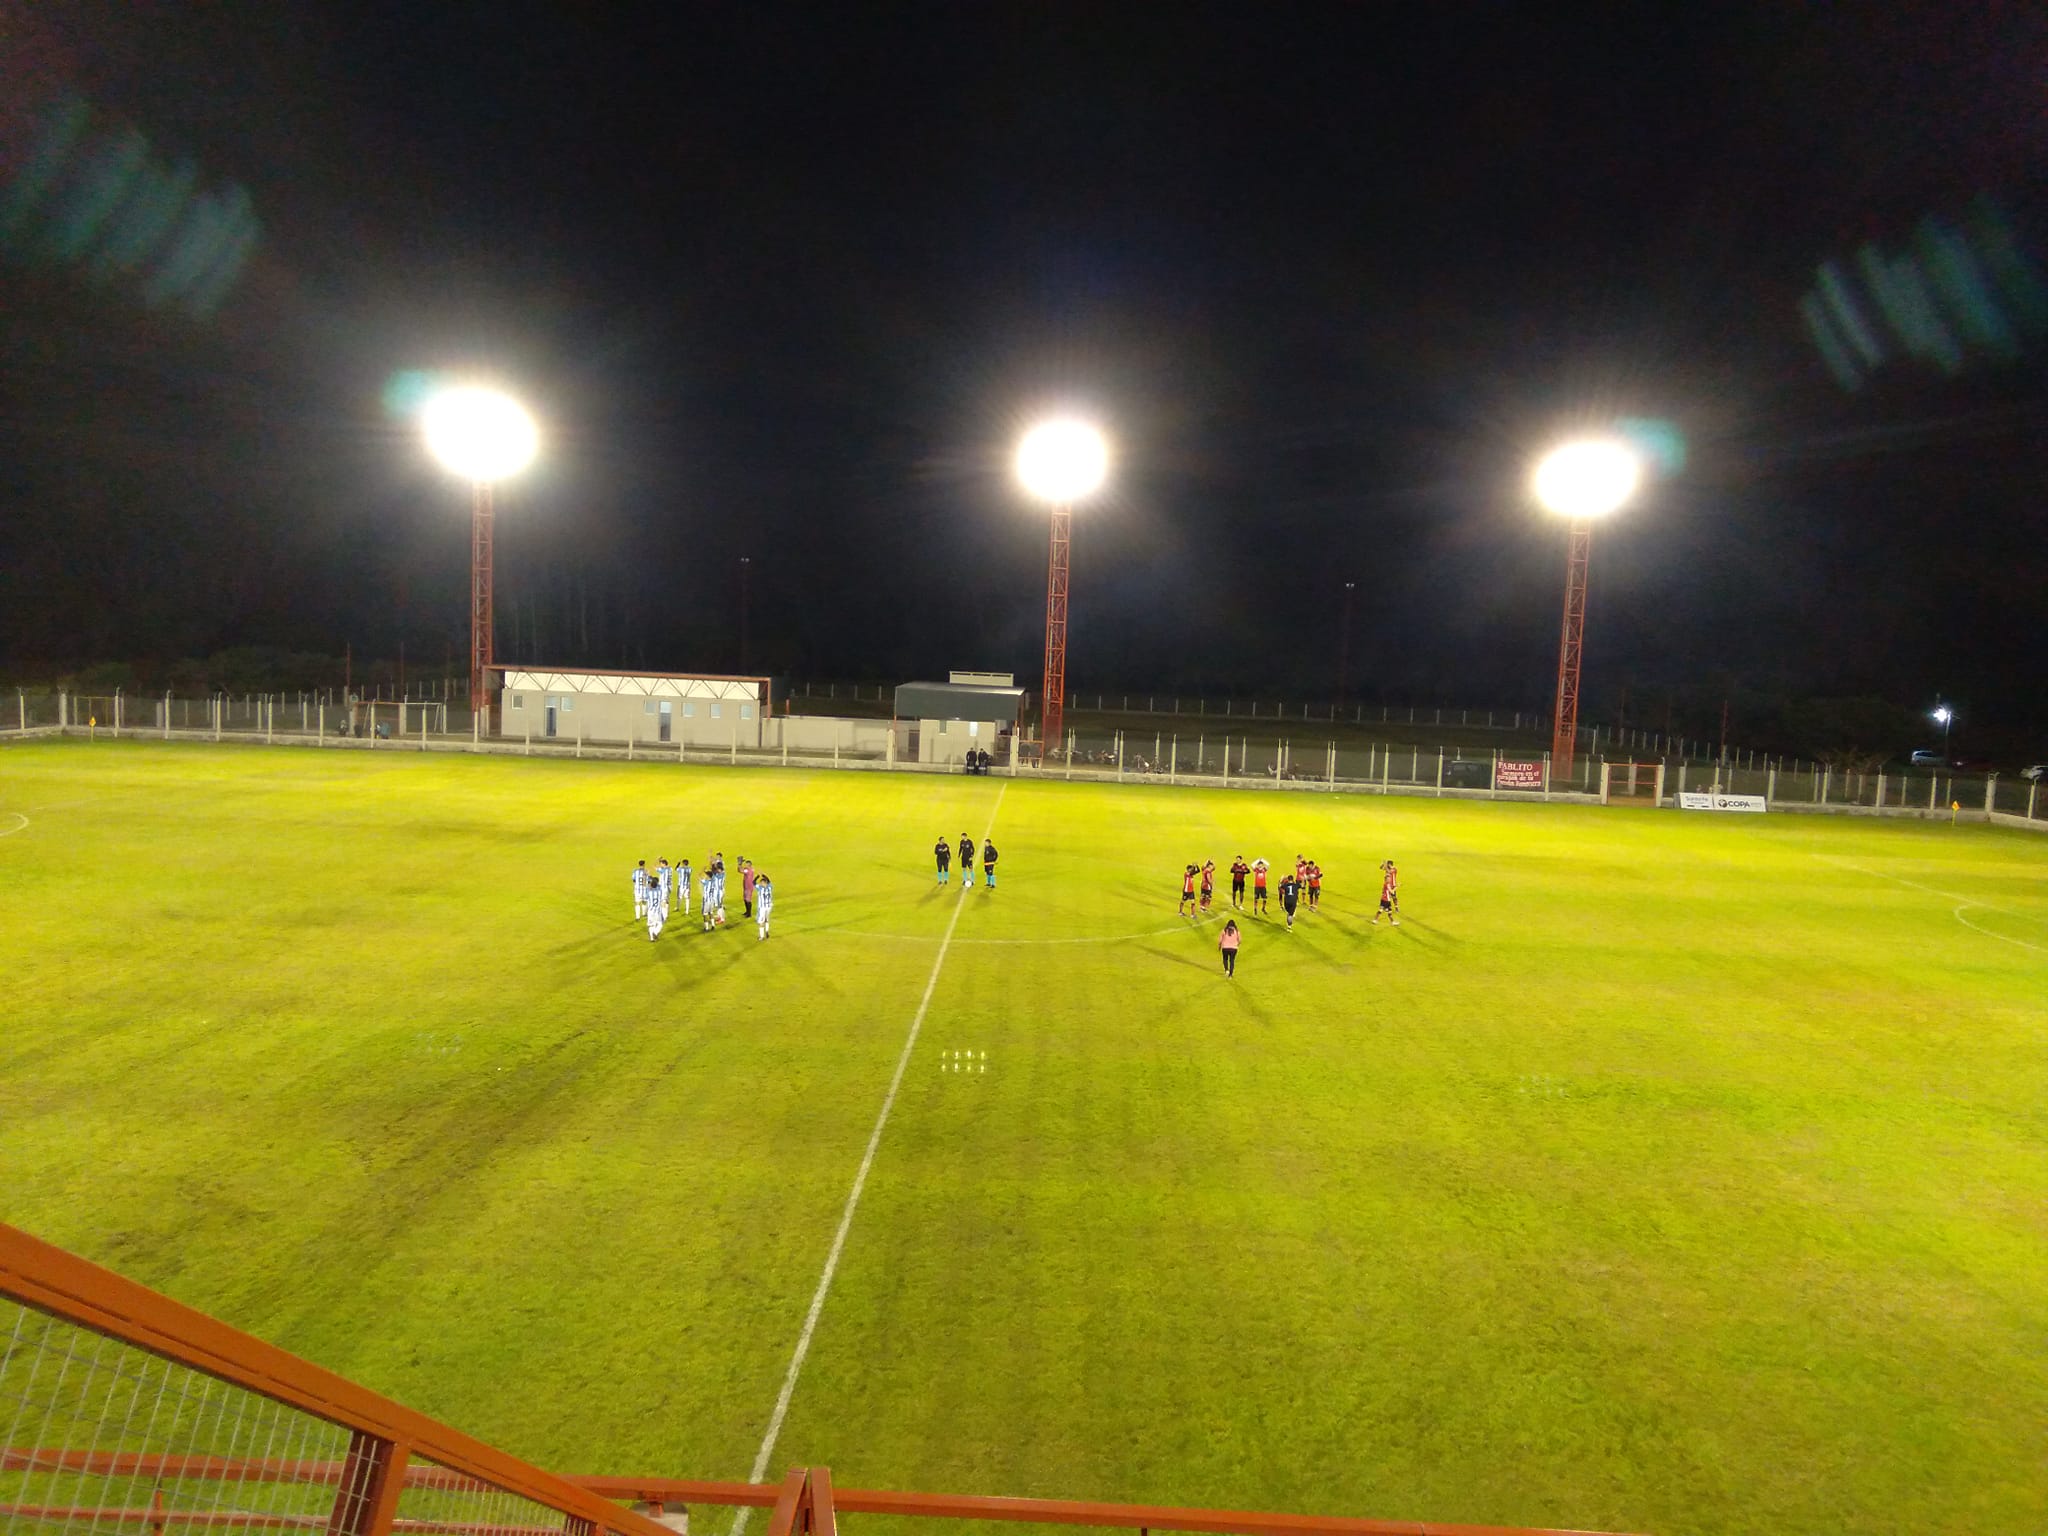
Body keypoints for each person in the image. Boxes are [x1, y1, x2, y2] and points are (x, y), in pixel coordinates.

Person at [1372, 860, 1400, 925]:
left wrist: (1385, 865)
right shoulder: (1387, 884)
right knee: (1385, 910)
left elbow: (1389, 871)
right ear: (1387, 879)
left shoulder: (1394, 869)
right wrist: (1397, 886)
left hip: (1384, 898)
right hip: (1386, 900)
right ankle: (1376, 920)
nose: (1390, 878)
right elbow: (1391, 891)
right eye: (1388, 878)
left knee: (1387, 910)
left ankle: (1376, 920)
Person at [754, 871, 773, 939]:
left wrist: (757, 876)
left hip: (762, 908)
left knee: (761, 922)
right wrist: (764, 875)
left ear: (763, 883)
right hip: (769, 906)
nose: (760, 884)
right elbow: (769, 881)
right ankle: (767, 931)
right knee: (766, 919)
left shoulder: (760, 888)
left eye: (761, 883)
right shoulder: (770, 887)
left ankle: (761, 937)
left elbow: (753, 882)